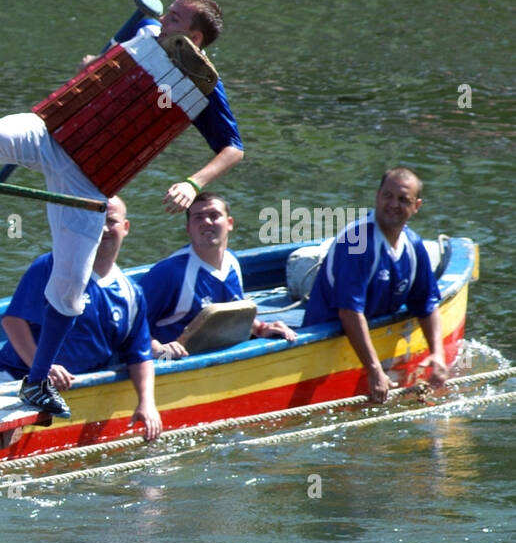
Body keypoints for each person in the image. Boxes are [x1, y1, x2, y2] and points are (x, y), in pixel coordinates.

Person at [0, 0, 244, 418]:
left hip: (89, 181)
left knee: (70, 288)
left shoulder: (205, 87)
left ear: (193, 35)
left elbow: (233, 148)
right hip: (51, 132)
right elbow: (99, 64)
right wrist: (92, 67)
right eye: (166, 12)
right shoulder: (144, 31)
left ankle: (37, 382)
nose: (162, 20)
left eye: (173, 17)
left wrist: (193, 182)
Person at [0, 196, 162, 440]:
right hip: (15, 380)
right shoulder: (53, 265)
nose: (103, 229)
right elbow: (13, 321)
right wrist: (42, 367)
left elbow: (139, 356)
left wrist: (147, 403)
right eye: (95, 220)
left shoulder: (131, 293)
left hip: (72, 393)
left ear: (126, 227)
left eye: (111, 221)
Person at [302, 168, 447, 403]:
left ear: (416, 206)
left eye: (403, 199)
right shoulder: (357, 241)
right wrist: (375, 370)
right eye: (388, 196)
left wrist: (438, 354)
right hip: (327, 340)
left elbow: (427, 304)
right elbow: (349, 312)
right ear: (377, 195)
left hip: (371, 335)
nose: (393, 204)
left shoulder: (413, 244)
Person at [143, 192, 297, 357]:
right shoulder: (170, 272)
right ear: (188, 228)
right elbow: (129, 322)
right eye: (198, 217)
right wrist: (155, 347)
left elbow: (230, 312)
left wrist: (261, 328)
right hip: (172, 362)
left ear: (230, 223)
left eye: (214, 216)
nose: (207, 222)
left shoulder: (232, 262)